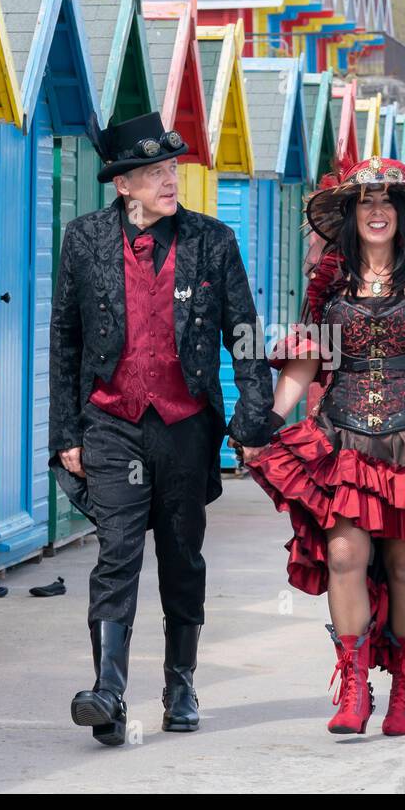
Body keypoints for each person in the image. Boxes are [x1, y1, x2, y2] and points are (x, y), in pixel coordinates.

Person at [242, 156, 405, 737]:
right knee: (344, 556)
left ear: (402, 214)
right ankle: (355, 686)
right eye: (367, 201)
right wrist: (263, 421)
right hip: (343, 439)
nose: (378, 210)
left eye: (388, 200)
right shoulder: (330, 282)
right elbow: (308, 358)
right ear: (352, 212)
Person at [48, 112, 276, 746]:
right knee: (116, 555)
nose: (169, 179)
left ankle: (180, 683)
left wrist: (251, 420)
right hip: (111, 422)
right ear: (123, 185)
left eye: (172, 168)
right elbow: (65, 338)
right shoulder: (84, 239)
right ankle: (108, 692)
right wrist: (65, 432)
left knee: (182, 557)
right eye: (152, 172)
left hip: (184, 426)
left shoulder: (213, 240)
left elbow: (246, 336)